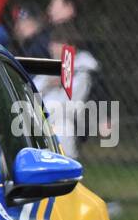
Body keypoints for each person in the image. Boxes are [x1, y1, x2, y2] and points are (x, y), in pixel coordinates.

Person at [34, 23, 100, 159]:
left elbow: (68, 104)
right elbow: (31, 91)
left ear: (71, 47)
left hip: (66, 124)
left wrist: (64, 81)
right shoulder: (51, 67)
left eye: (57, 43)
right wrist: (49, 84)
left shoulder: (82, 71)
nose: (51, 47)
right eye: (52, 43)